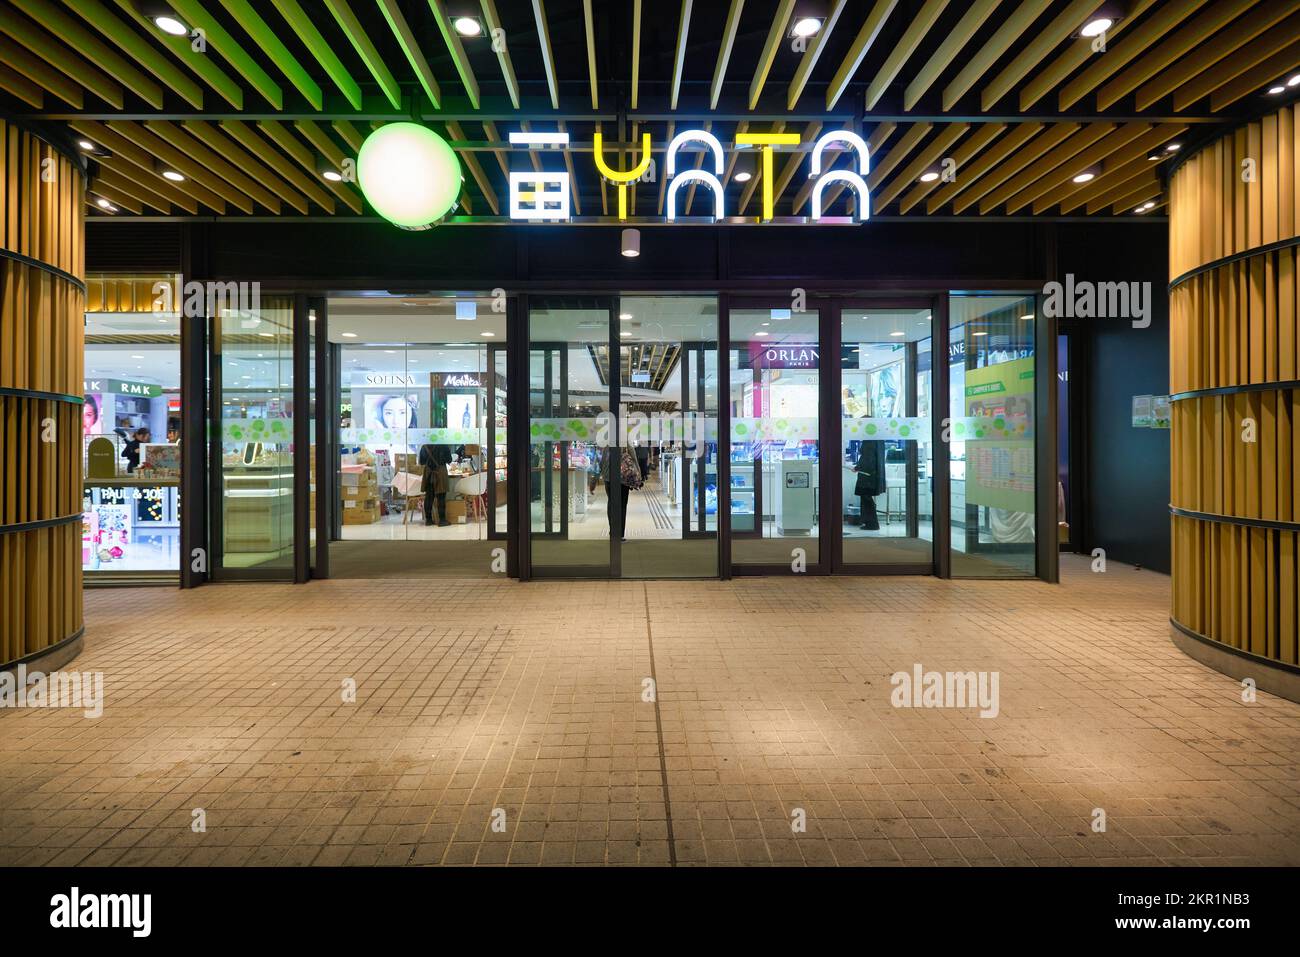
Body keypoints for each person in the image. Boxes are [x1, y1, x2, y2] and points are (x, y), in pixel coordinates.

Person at [601, 444, 643, 541]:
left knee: (611, 504)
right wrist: (639, 475)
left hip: (609, 479)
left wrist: (597, 478)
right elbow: (635, 462)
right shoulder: (627, 446)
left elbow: (601, 462)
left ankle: (613, 532)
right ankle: (619, 534)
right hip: (623, 479)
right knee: (622, 506)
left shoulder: (607, 447)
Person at [854, 435, 886, 531]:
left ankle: (871, 523)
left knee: (866, 498)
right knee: (867, 498)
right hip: (875, 474)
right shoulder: (879, 439)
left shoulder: (869, 440)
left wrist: (858, 467)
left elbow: (867, 458)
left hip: (867, 475)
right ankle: (870, 522)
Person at [418, 443, 452, 526]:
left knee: (429, 497)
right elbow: (449, 460)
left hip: (428, 473)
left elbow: (421, 462)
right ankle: (442, 520)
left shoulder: (424, 446)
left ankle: (428, 520)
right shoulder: (444, 445)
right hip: (440, 472)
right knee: (441, 496)